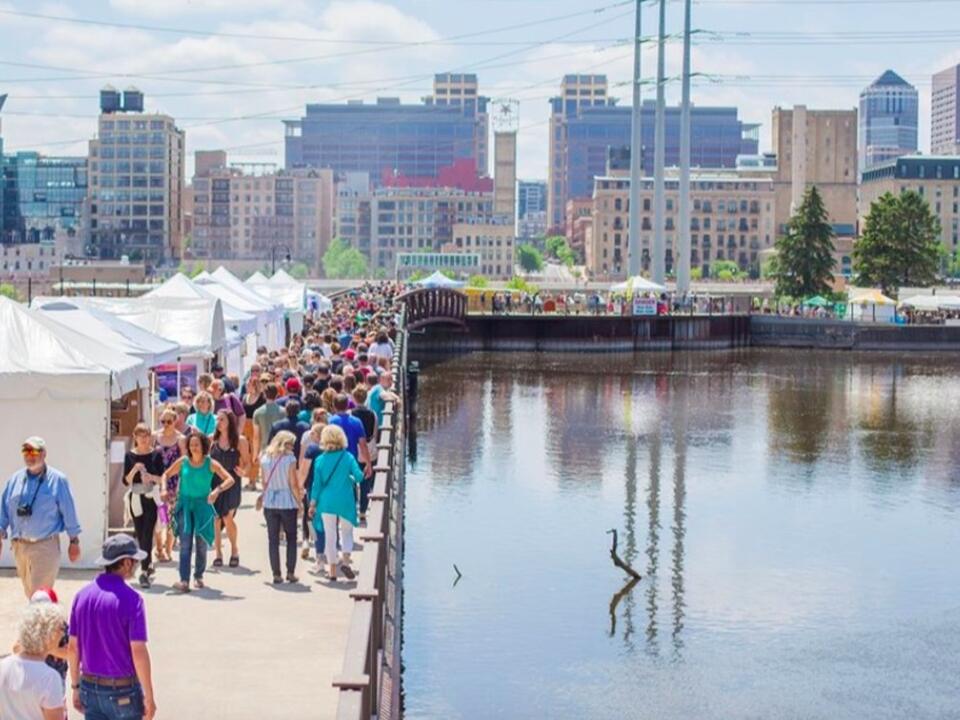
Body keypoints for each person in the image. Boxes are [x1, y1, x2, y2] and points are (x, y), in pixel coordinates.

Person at [68, 534, 156, 720]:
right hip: (123, 691)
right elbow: (138, 650)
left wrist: (75, 686)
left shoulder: (81, 596)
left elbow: (73, 647)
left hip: (89, 688)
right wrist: (149, 696)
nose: (136, 565)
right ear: (126, 563)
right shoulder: (133, 600)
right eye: (134, 561)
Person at [0, 437, 82, 598]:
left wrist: (74, 541)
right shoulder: (15, 480)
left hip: (45, 546)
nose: (29, 456)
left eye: (34, 451)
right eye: (26, 451)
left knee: (39, 596)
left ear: (44, 454)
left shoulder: (58, 480)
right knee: (30, 594)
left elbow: (69, 511)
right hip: (20, 547)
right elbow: (4, 509)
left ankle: (46, 614)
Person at [159, 432, 234, 593]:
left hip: (203, 507)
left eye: (197, 444)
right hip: (184, 506)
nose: (194, 447)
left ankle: (198, 576)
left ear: (203, 446)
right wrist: (164, 489)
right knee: (185, 544)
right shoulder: (183, 461)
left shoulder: (210, 463)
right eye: (191, 444)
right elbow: (166, 474)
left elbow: (230, 479)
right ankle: (184, 580)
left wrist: (216, 491)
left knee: (201, 544)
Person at [309, 425, 364, 581]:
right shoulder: (348, 457)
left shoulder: (319, 460)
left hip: (326, 501)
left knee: (330, 535)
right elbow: (359, 477)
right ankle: (345, 561)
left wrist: (312, 504)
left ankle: (332, 571)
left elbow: (316, 485)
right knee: (347, 532)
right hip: (345, 499)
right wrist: (351, 478)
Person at [0, 601, 68, 720]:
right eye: (61, 629)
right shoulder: (49, 677)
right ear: (49, 635)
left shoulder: (3, 665)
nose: (63, 634)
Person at [122, 424, 164, 589]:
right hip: (135, 498)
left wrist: (151, 477)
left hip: (151, 497)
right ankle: (149, 563)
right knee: (140, 534)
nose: (144, 439)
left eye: (146, 435)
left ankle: (144, 570)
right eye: (141, 436)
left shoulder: (156, 454)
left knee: (147, 533)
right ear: (135, 437)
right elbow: (126, 481)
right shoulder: (129, 456)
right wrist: (134, 470)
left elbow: (162, 478)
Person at [258, 431, 302, 584]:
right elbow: (293, 483)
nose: (293, 447)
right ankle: (290, 572)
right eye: (291, 444)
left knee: (273, 539)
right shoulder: (290, 459)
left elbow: (264, 482)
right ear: (286, 444)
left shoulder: (264, 458)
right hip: (287, 501)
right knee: (291, 537)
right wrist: (299, 502)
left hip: (270, 501)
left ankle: (276, 574)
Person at [210, 409, 250, 568]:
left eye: (222, 420)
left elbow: (248, 463)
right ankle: (218, 553)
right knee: (216, 519)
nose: (218, 423)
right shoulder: (211, 440)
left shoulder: (240, 441)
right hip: (215, 482)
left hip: (232, 482)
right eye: (217, 419)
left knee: (227, 518)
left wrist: (244, 471)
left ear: (230, 422)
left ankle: (234, 550)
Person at [330, 394, 374, 520]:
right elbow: (363, 444)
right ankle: (352, 511)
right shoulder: (356, 422)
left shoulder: (331, 421)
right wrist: (368, 463)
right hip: (351, 458)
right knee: (351, 485)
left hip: (334, 459)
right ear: (347, 406)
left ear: (334, 406)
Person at [152, 409, 185, 564]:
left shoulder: (180, 439)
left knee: (171, 518)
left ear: (175, 421)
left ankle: (168, 550)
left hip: (174, 482)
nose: (165, 425)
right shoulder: (154, 436)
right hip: (157, 482)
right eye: (163, 421)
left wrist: (181, 484)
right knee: (159, 517)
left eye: (169, 422)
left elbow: (184, 463)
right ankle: (159, 548)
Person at [241, 372, 265, 490]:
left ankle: (253, 480)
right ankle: (250, 479)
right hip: (245, 427)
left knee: (255, 453)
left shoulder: (261, 398)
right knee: (246, 453)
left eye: (249, 384)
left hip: (256, 427)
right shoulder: (245, 397)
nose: (247, 386)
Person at [252, 384, 284, 471]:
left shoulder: (258, 412)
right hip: (280, 450)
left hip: (264, 450)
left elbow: (256, 437)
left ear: (264, 394)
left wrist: (255, 453)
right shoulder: (283, 411)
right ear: (277, 394)